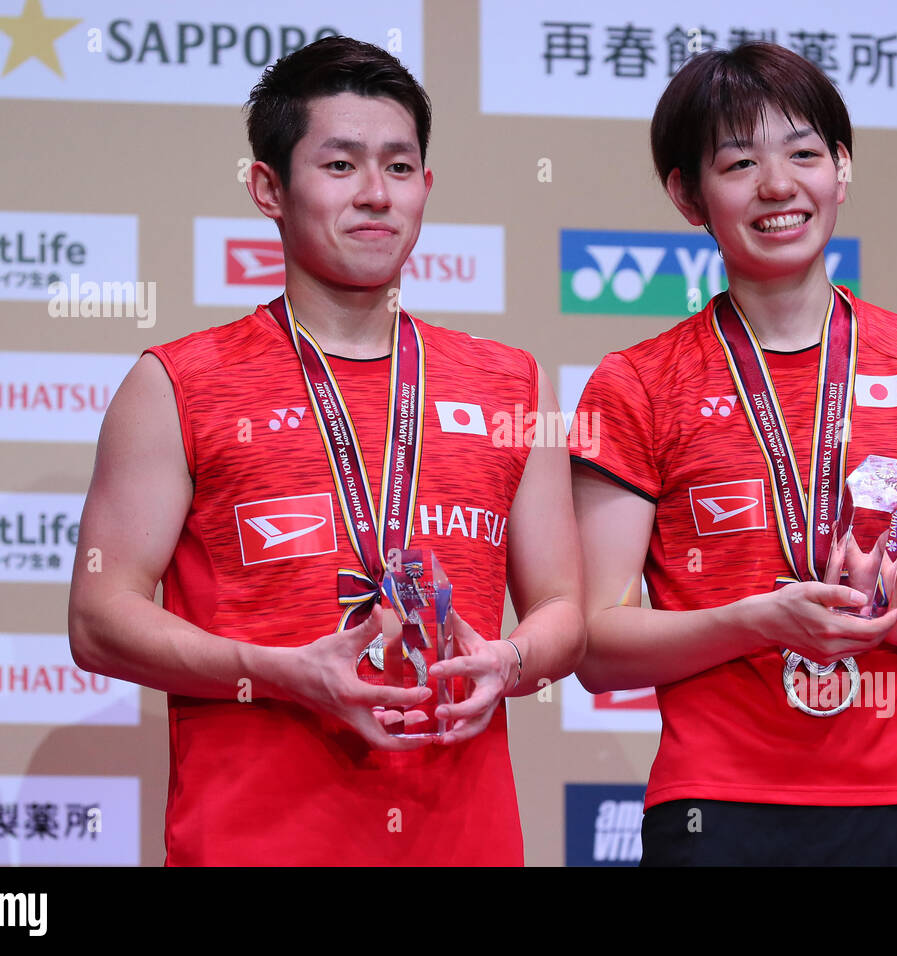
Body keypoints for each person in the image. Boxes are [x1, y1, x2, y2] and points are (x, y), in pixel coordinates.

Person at [68, 36, 584, 866]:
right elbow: (99, 621)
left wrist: (510, 660)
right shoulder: (175, 382)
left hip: (467, 841)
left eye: (400, 167)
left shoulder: (513, 385)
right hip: (251, 843)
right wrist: (280, 671)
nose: (377, 196)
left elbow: (563, 607)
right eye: (340, 167)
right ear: (269, 188)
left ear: (426, 186)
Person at [569, 42, 897, 866]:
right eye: (739, 162)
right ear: (687, 195)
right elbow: (598, 647)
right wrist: (757, 620)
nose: (778, 186)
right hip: (718, 807)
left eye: (806, 153)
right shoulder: (636, 383)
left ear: (842, 169)